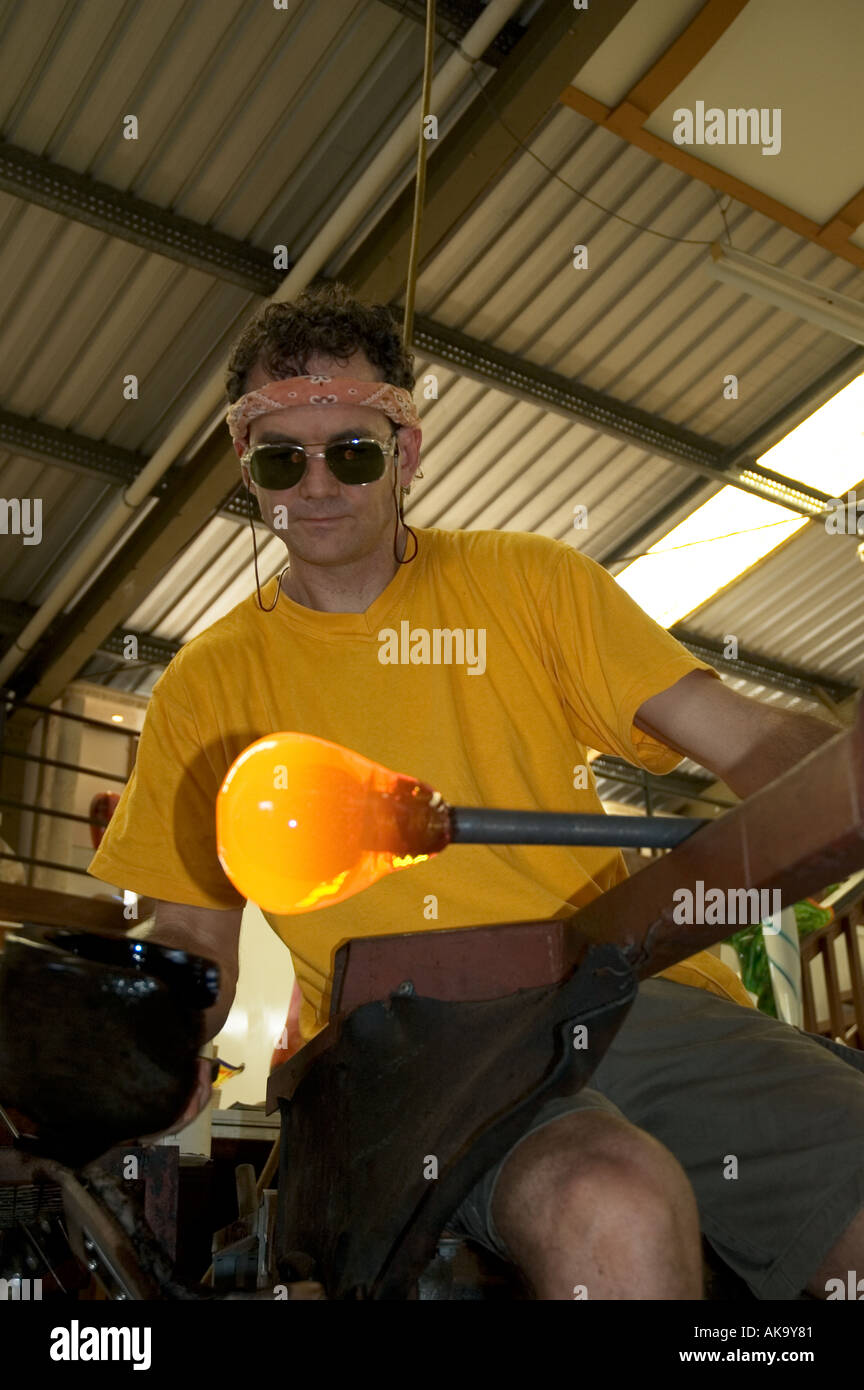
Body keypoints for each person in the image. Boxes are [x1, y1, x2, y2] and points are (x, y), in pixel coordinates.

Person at [88, 281, 864, 1300]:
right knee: (612, 1203)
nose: (316, 484)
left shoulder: (533, 585)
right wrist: (152, 1036)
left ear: (405, 454)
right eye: (283, 458)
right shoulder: (206, 685)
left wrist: (840, 777)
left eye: (352, 452)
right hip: (411, 1050)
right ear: (249, 467)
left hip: (622, 994)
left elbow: (752, 743)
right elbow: (197, 932)